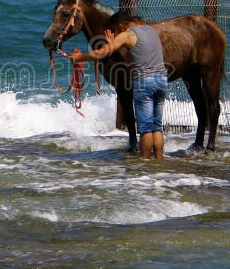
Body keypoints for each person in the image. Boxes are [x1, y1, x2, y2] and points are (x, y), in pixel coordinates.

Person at [69, 11, 168, 160]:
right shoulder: (151, 30)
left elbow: (102, 52)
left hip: (144, 83)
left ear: (121, 25)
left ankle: (145, 164)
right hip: (162, 81)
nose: (114, 34)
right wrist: (113, 42)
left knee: (146, 129)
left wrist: (80, 57)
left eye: (114, 30)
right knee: (157, 126)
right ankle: (159, 161)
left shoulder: (127, 34)